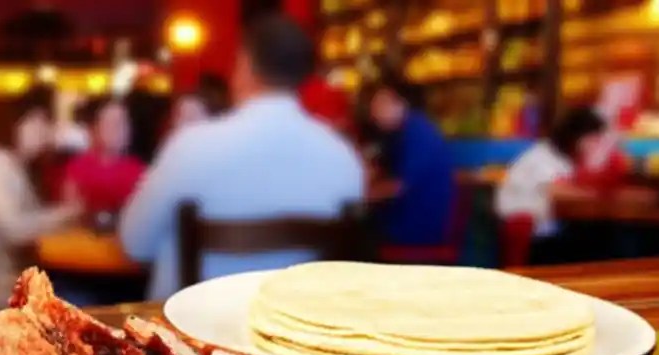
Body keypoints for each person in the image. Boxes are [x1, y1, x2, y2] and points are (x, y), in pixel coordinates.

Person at [119, 14, 365, 300]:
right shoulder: (343, 160)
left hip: (188, 335)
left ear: (245, 65)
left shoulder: (192, 146)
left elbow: (134, 243)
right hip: (287, 338)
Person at [0, 91, 82, 310]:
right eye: (36, 124)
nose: (44, 133)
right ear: (13, 125)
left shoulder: (13, 164)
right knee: (88, 296)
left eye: (46, 125)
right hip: (4, 289)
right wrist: (65, 214)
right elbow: (14, 229)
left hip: (16, 281)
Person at [367, 75, 457, 251]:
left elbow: (398, 186)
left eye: (381, 105)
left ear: (401, 104)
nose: (373, 112)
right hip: (407, 222)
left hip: (417, 230)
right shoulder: (401, 133)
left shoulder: (417, 133)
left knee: (354, 241)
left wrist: (361, 196)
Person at [496, 107, 609, 241]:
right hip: (533, 231)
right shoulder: (544, 156)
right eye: (593, 139)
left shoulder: (561, 157)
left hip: (544, 225)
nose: (595, 145)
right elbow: (557, 191)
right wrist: (595, 193)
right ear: (577, 136)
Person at [63, 99, 147, 217]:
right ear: (95, 129)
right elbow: (69, 212)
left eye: (122, 122)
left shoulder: (140, 171)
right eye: (110, 123)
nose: (118, 129)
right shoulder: (77, 167)